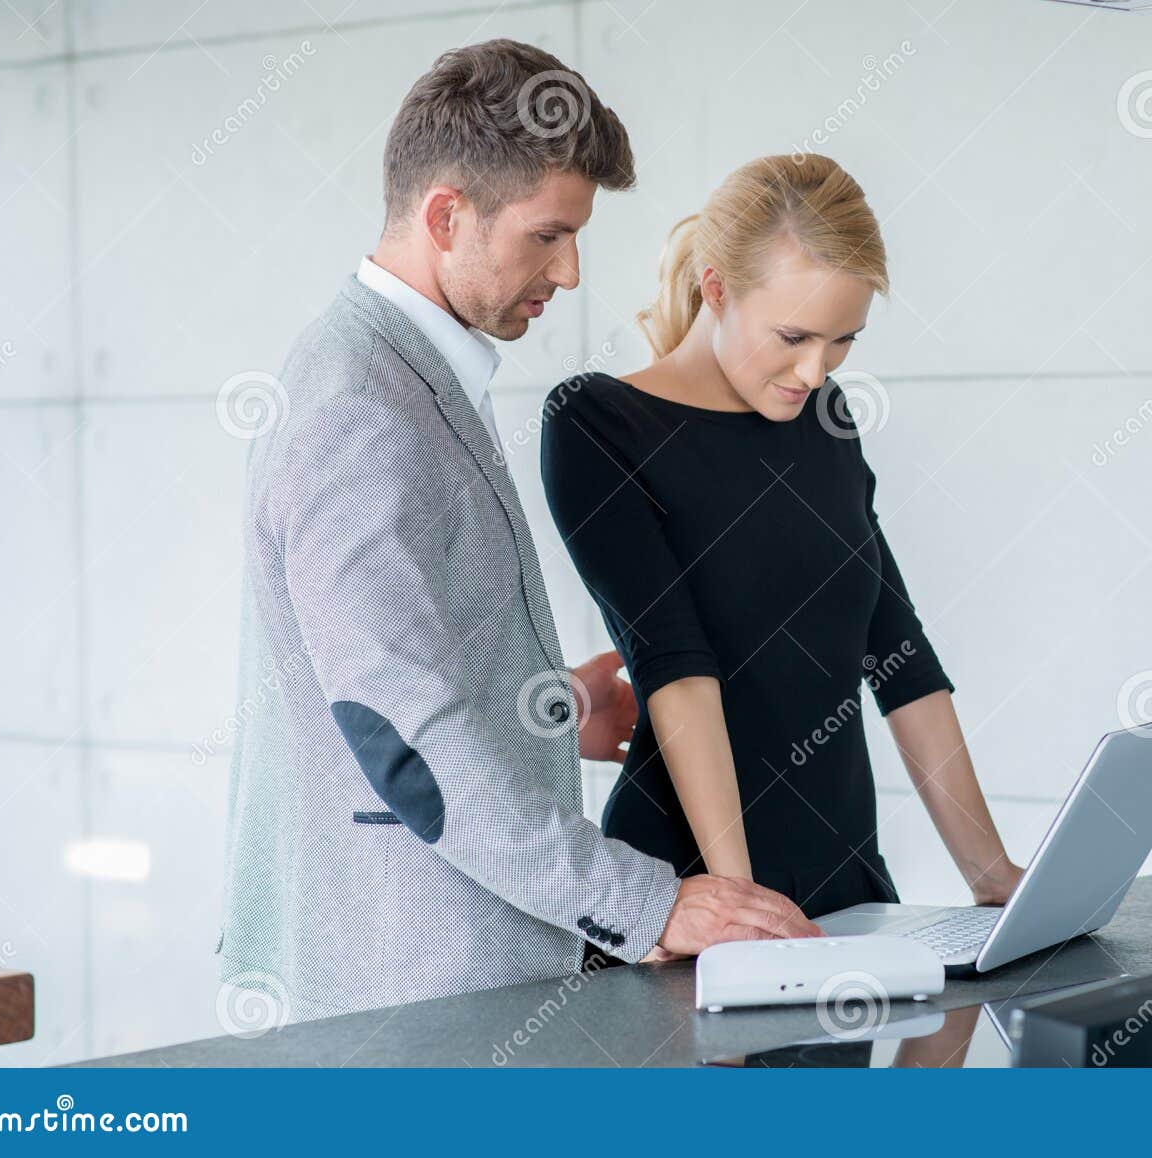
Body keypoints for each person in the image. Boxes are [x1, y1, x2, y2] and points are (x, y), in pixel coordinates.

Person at [217, 41, 818, 1024]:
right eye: (547, 236)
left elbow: (391, 665)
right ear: (446, 215)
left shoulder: (407, 372)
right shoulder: (359, 409)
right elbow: (397, 732)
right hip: (407, 985)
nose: (570, 271)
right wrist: (649, 900)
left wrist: (545, 706)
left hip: (451, 978)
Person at [540, 154, 1025, 922]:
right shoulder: (599, 424)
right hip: (694, 902)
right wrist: (741, 904)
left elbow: (899, 654)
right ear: (716, 288)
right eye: (794, 336)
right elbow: (676, 670)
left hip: (851, 888)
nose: (814, 369)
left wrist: (994, 872)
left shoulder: (824, 421)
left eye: (843, 341)